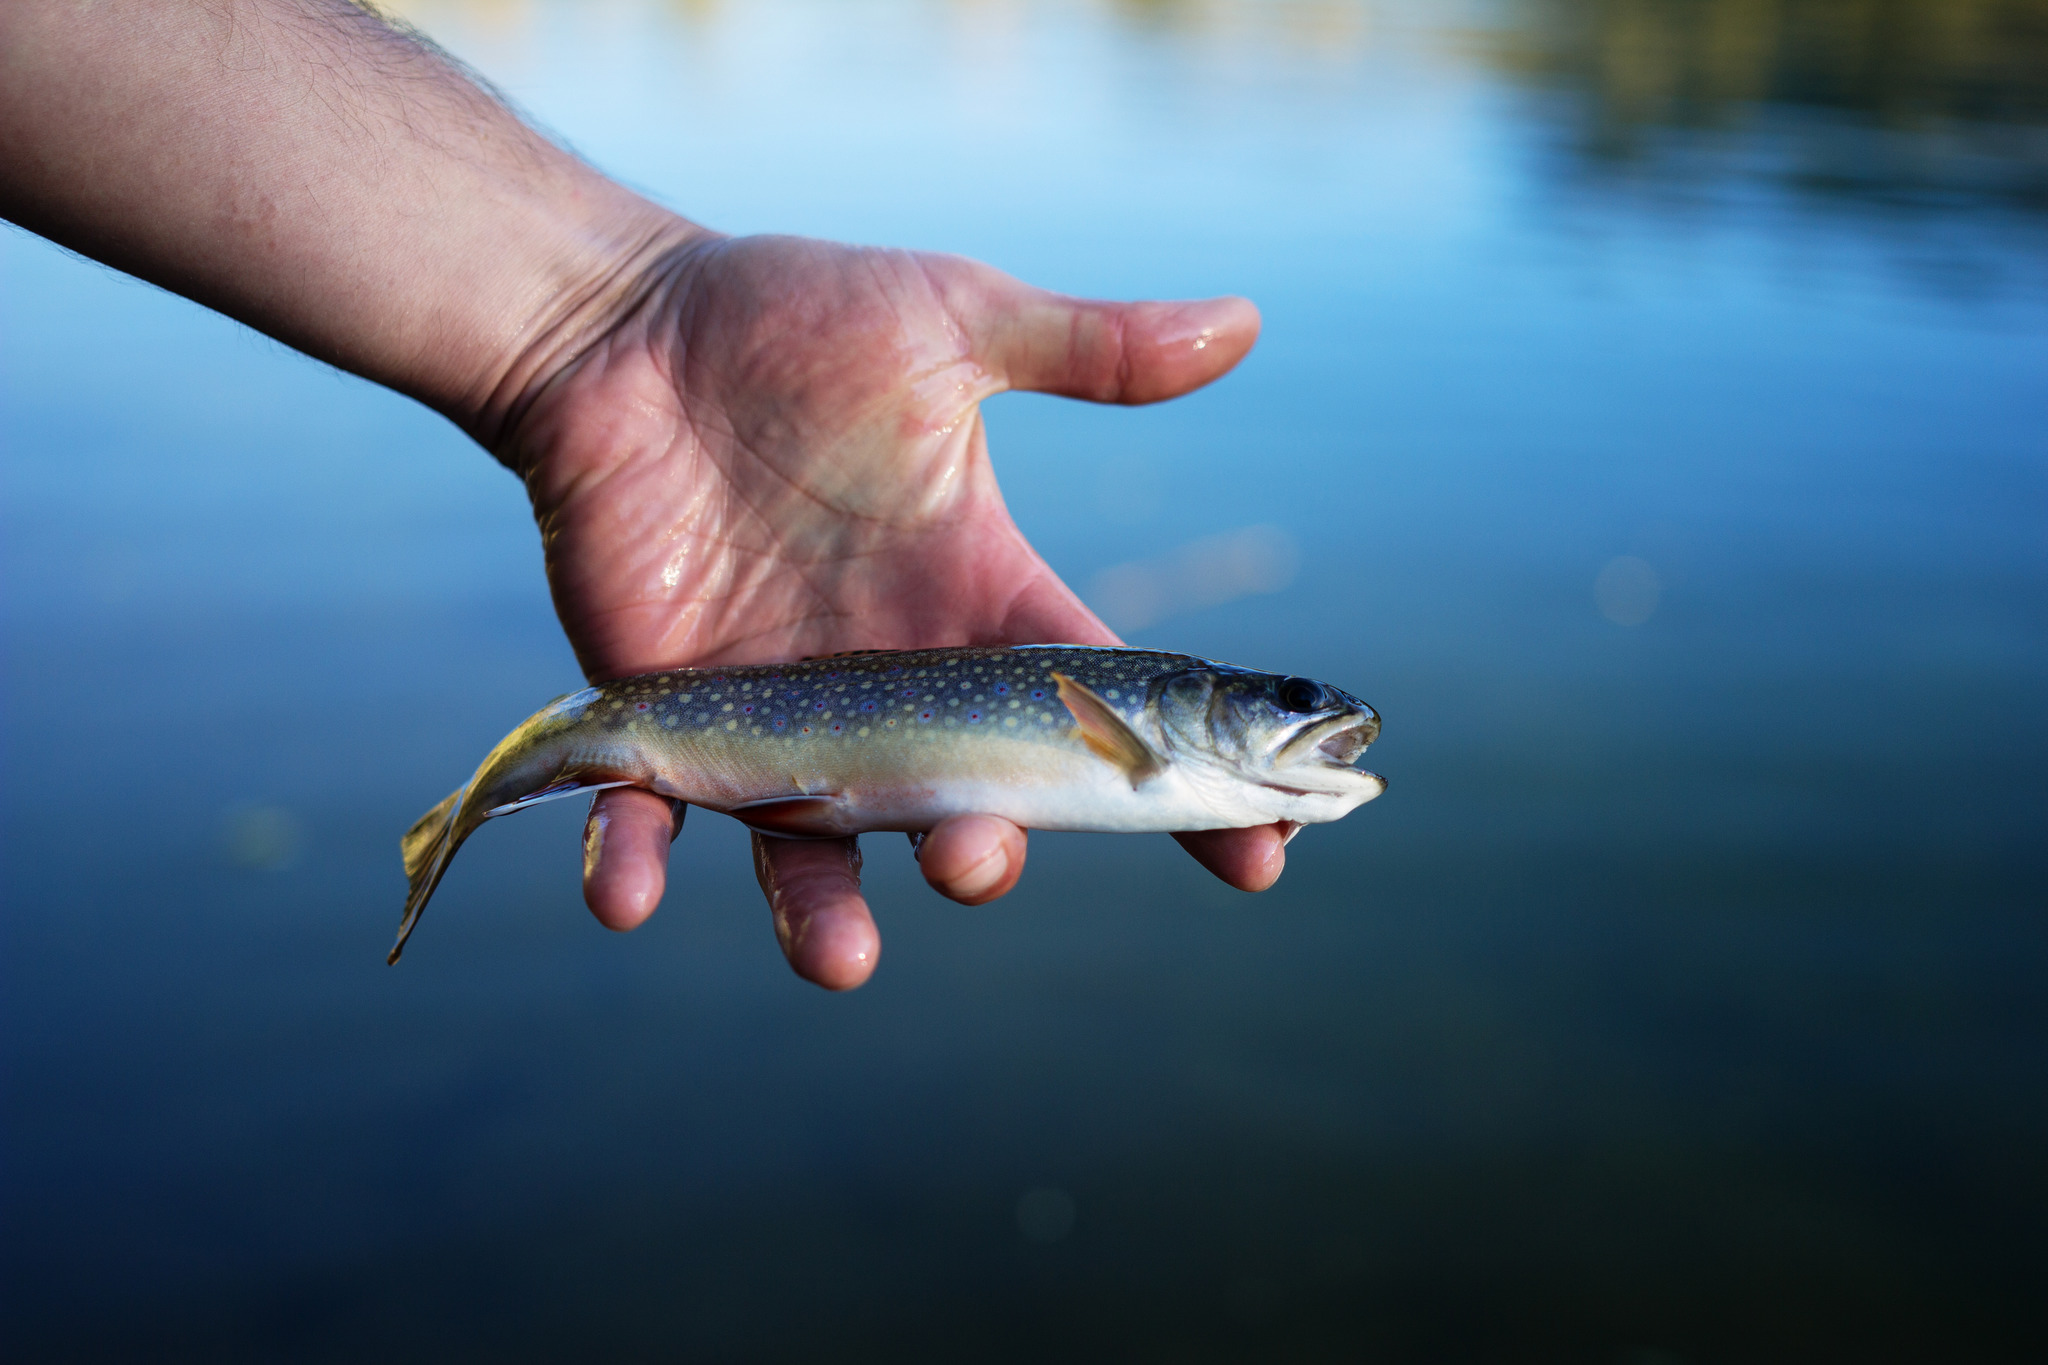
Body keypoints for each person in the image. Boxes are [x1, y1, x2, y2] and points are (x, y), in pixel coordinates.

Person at [0, 0, 1290, 989]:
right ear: (1189, 703)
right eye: (1281, 708)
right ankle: (469, 817)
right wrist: (615, 314)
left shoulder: (1145, 733)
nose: (1310, 726)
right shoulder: (1131, 727)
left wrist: (609, 312)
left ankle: (482, 808)